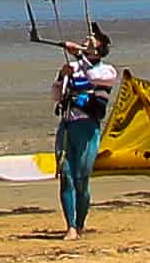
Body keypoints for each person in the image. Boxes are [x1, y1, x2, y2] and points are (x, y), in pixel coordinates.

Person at [47, 24, 120, 241]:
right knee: (66, 176)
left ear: (99, 50)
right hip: (67, 127)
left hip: (88, 129)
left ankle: (79, 224)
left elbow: (94, 76)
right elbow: (55, 96)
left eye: (91, 42)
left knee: (81, 179)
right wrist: (62, 76)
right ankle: (70, 226)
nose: (86, 42)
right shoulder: (74, 67)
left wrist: (80, 54)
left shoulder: (107, 71)